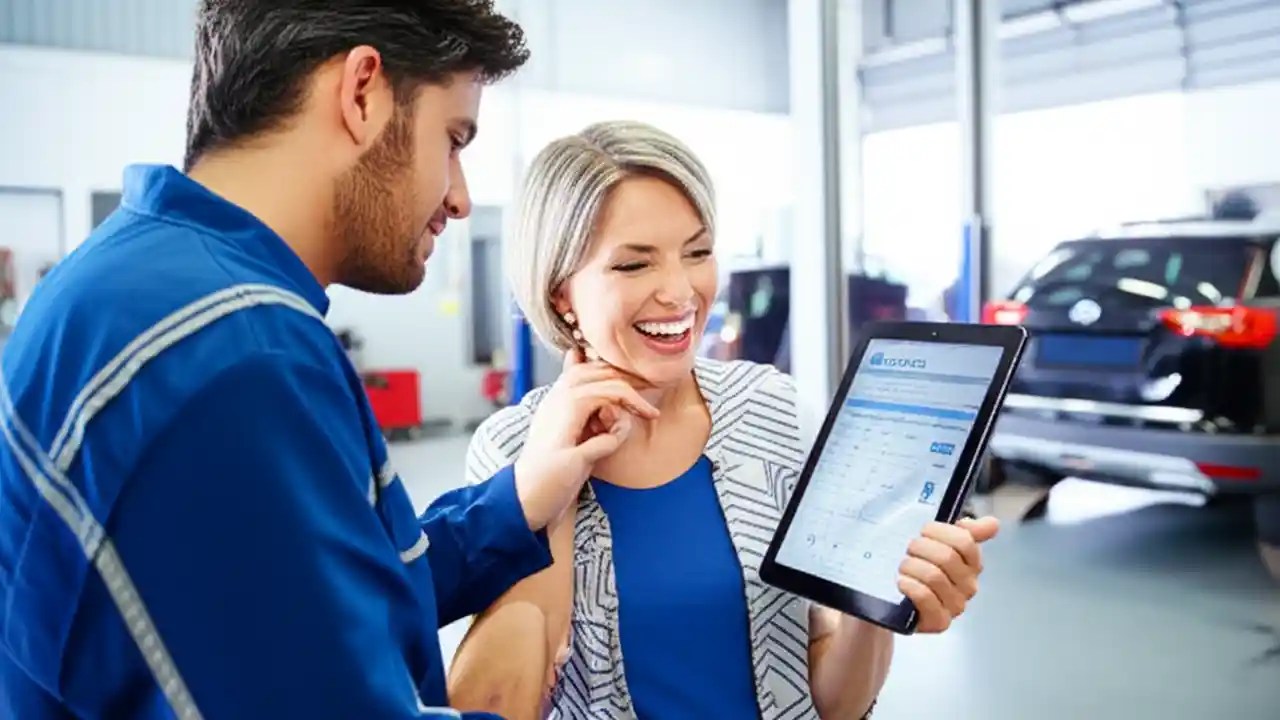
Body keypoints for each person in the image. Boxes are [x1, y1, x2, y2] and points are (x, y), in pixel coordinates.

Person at [0, 3, 651, 718]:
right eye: (453, 139)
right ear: (363, 90)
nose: (459, 199)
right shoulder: (232, 357)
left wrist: (518, 501)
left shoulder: (132, 279)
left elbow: (318, 601)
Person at [447, 121, 1003, 720]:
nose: (680, 292)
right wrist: (550, 488)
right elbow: (500, 706)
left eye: (698, 252)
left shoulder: (773, 410)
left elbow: (836, 705)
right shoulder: (509, 449)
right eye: (634, 266)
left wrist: (883, 601)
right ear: (561, 294)